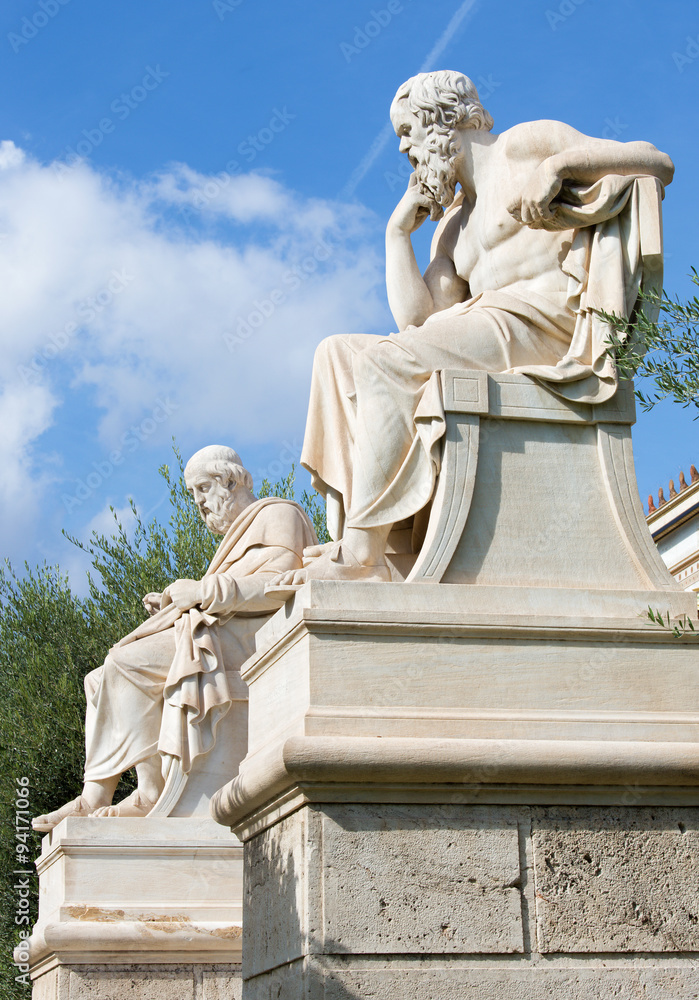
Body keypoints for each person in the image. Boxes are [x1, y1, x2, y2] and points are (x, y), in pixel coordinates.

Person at [278, 70, 674, 585]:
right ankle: (368, 542)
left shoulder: (526, 145)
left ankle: (364, 556)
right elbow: (418, 323)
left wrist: (560, 166)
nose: (403, 148)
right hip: (489, 324)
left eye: (407, 131)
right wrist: (397, 234)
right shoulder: (451, 225)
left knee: (382, 360)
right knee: (337, 354)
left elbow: (655, 161)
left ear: (445, 119)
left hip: (546, 323)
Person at [33, 445, 316, 831]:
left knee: (126, 663)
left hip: (251, 640)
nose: (198, 503)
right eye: (192, 493)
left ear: (229, 481)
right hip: (221, 629)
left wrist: (202, 593)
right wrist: (175, 606)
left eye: (202, 488)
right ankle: (129, 790)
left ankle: (116, 796)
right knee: (97, 679)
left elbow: (280, 584)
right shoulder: (239, 532)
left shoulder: (278, 514)